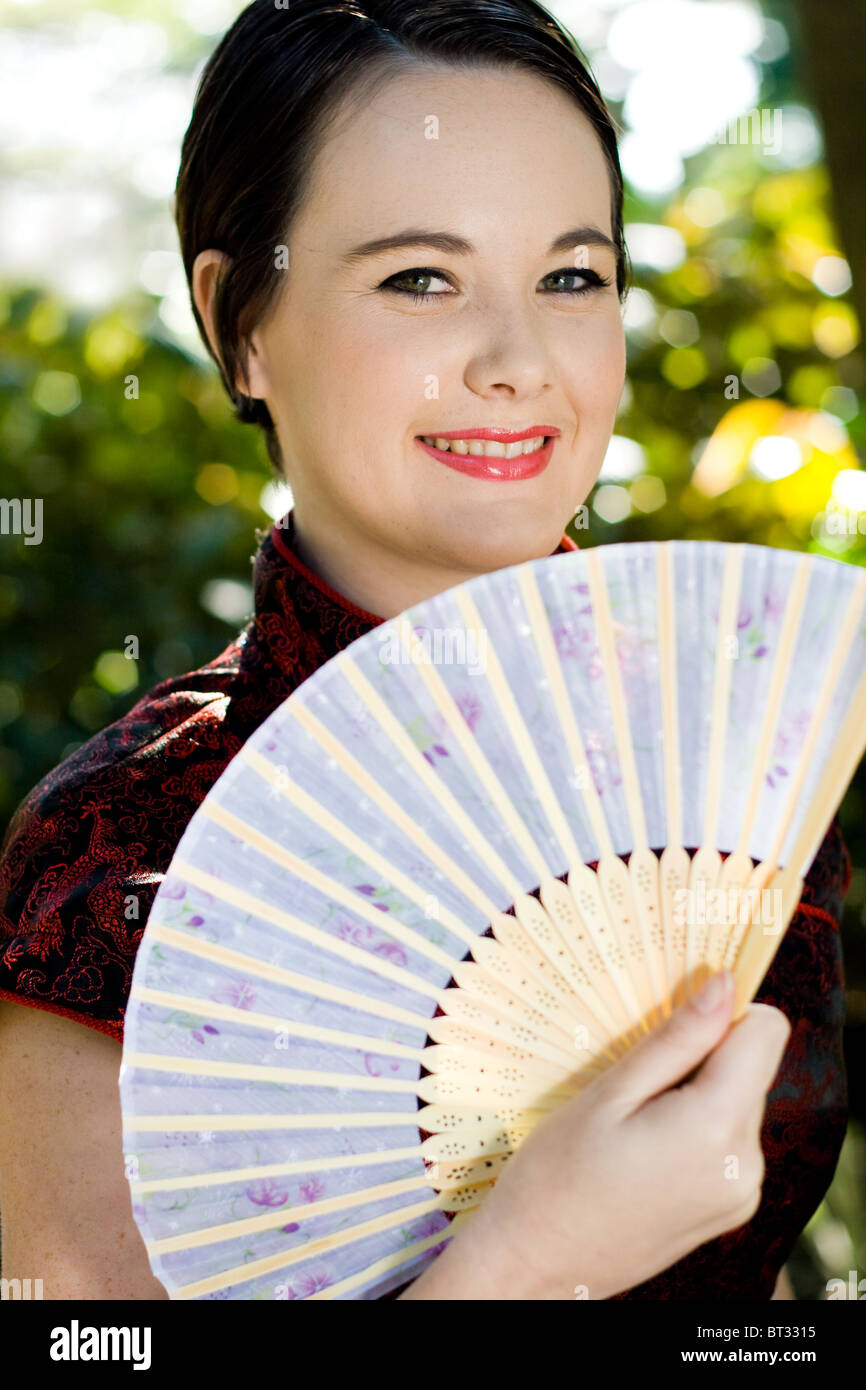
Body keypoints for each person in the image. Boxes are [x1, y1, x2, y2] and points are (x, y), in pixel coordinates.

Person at [0, 0, 849, 1301]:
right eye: (418, 278)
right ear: (239, 322)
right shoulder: (115, 859)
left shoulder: (731, 755)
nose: (519, 360)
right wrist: (520, 1266)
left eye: (572, 276)